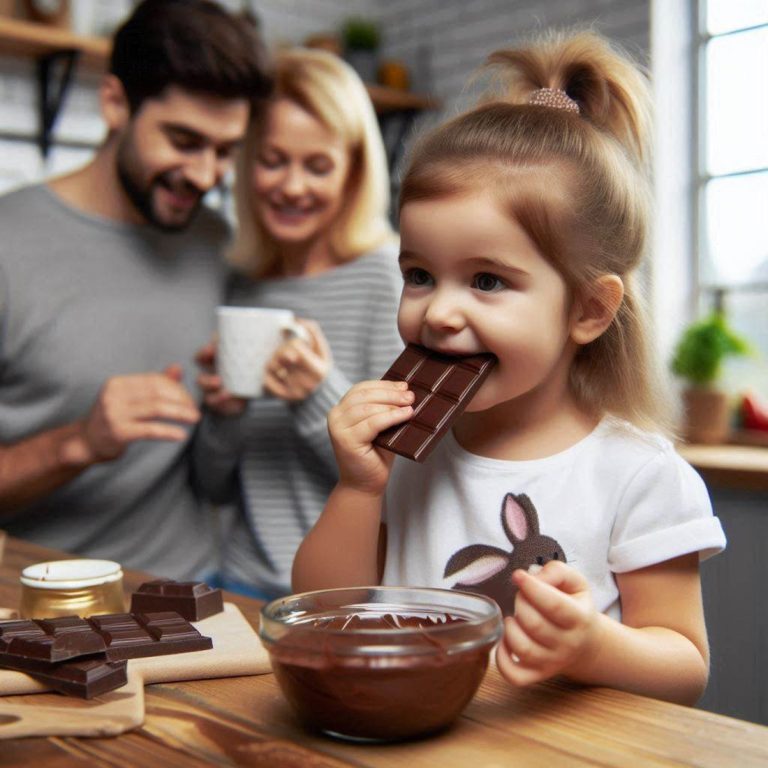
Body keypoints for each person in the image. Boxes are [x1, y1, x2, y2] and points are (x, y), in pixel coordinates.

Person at [292, 30, 727, 705]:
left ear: (587, 308)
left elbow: (685, 666)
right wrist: (356, 488)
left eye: (487, 281)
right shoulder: (410, 452)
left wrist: (593, 646)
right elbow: (324, 609)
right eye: (419, 275)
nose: (438, 314)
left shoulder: (638, 475)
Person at [0, 0, 271, 579]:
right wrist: (77, 442)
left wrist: (228, 411)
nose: (204, 176)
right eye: (183, 140)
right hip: (42, 604)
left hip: (194, 593)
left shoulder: (215, 241)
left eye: (225, 151)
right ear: (115, 102)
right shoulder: (8, 244)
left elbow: (211, 472)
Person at [193, 47, 403, 601]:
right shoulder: (245, 283)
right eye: (272, 159)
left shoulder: (389, 277)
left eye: (318, 165)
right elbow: (211, 486)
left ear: (354, 170)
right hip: (238, 580)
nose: (291, 186)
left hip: (343, 592)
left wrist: (317, 395)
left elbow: (401, 481)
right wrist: (225, 414)